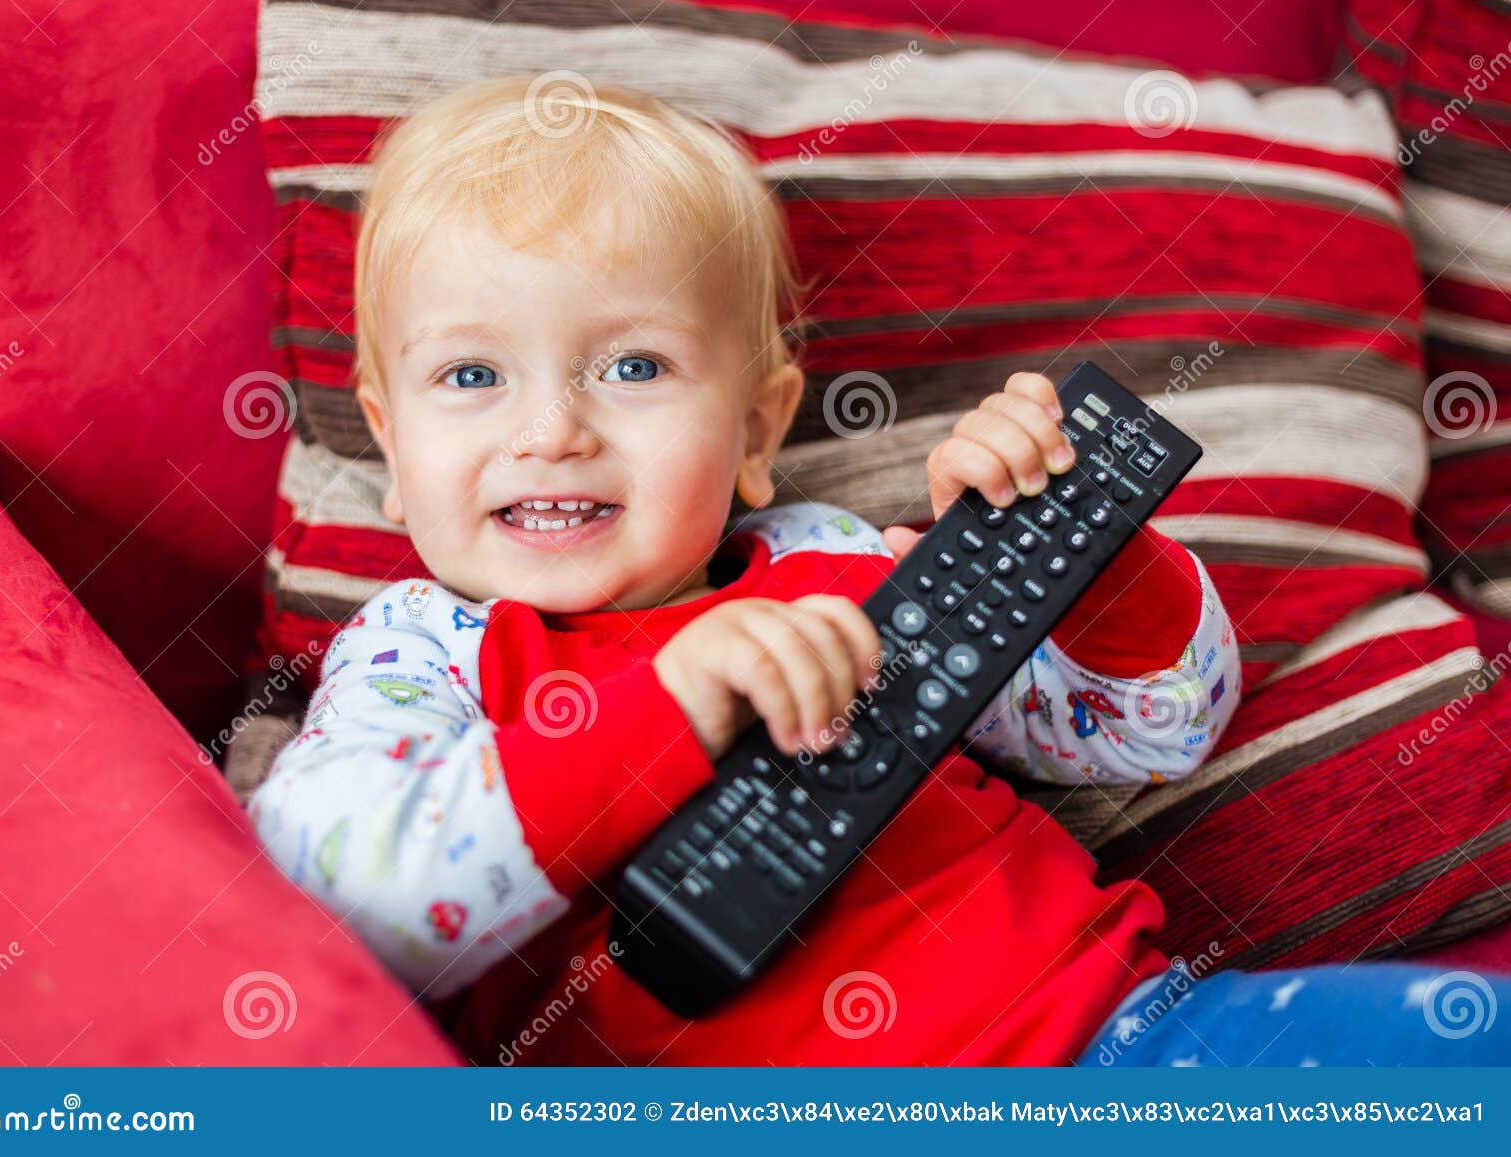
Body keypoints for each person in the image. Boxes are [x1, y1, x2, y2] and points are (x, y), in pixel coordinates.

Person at [247, 77, 1510, 1066]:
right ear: (392, 451)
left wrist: (1096, 563)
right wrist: (662, 713)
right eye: (472, 375)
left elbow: (1149, 729)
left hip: (1126, 1041)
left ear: (755, 432)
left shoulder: (839, 567)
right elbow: (337, 881)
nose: (550, 430)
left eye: (632, 367)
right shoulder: (423, 649)